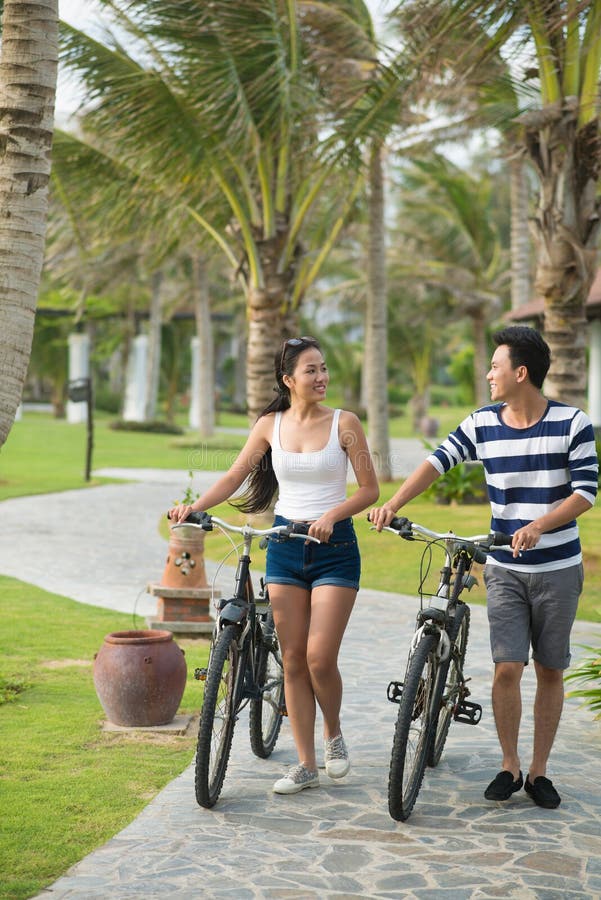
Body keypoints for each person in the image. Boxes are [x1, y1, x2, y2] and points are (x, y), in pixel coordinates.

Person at [370, 325, 598, 809]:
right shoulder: (482, 423)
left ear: (521, 372)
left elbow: (585, 493)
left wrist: (540, 524)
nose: (487, 374)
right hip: (504, 568)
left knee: (551, 669)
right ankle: (509, 765)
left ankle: (539, 772)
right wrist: (393, 503)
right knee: (506, 668)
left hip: (558, 568)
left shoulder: (573, 423)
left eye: (495, 366)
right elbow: (437, 462)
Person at [170, 335, 379, 795]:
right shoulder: (270, 425)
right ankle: (305, 764)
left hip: (334, 547)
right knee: (292, 660)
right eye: (311, 370)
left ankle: (333, 735)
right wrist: (193, 506)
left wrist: (330, 516)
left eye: (324, 368)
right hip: (284, 546)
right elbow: (235, 474)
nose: (322, 377)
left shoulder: (346, 423)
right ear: (288, 380)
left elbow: (369, 490)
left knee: (320, 658)